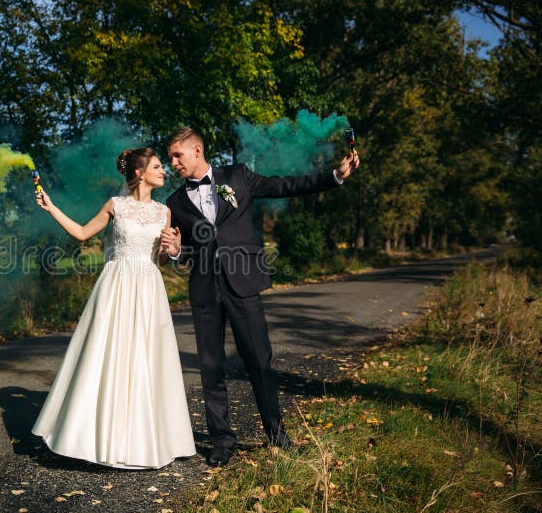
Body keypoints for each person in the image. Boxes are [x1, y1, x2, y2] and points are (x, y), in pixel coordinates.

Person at [160, 127, 359, 466]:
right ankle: (222, 441)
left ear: (196, 150)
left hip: (244, 283)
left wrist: (335, 176)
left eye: (177, 156)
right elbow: (187, 248)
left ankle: (277, 435)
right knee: (211, 368)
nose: (173, 164)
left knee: (259, 361)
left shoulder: (238, 176)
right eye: (170, 159)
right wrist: (178, 251)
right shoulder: (175, 201)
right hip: (205, 288)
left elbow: (286, 186)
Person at [32, 147, 197, 469]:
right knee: (108, 356)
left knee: (147, 359)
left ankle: (146, 441)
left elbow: (161, 259)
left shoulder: (164, 211)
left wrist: (172, 248)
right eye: (157, 166)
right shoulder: (115, 205)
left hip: (148, 286)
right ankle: (96, 437)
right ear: (139, 173)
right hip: (117, 285)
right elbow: (81, 233)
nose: (164, 170)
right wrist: (51, 208)